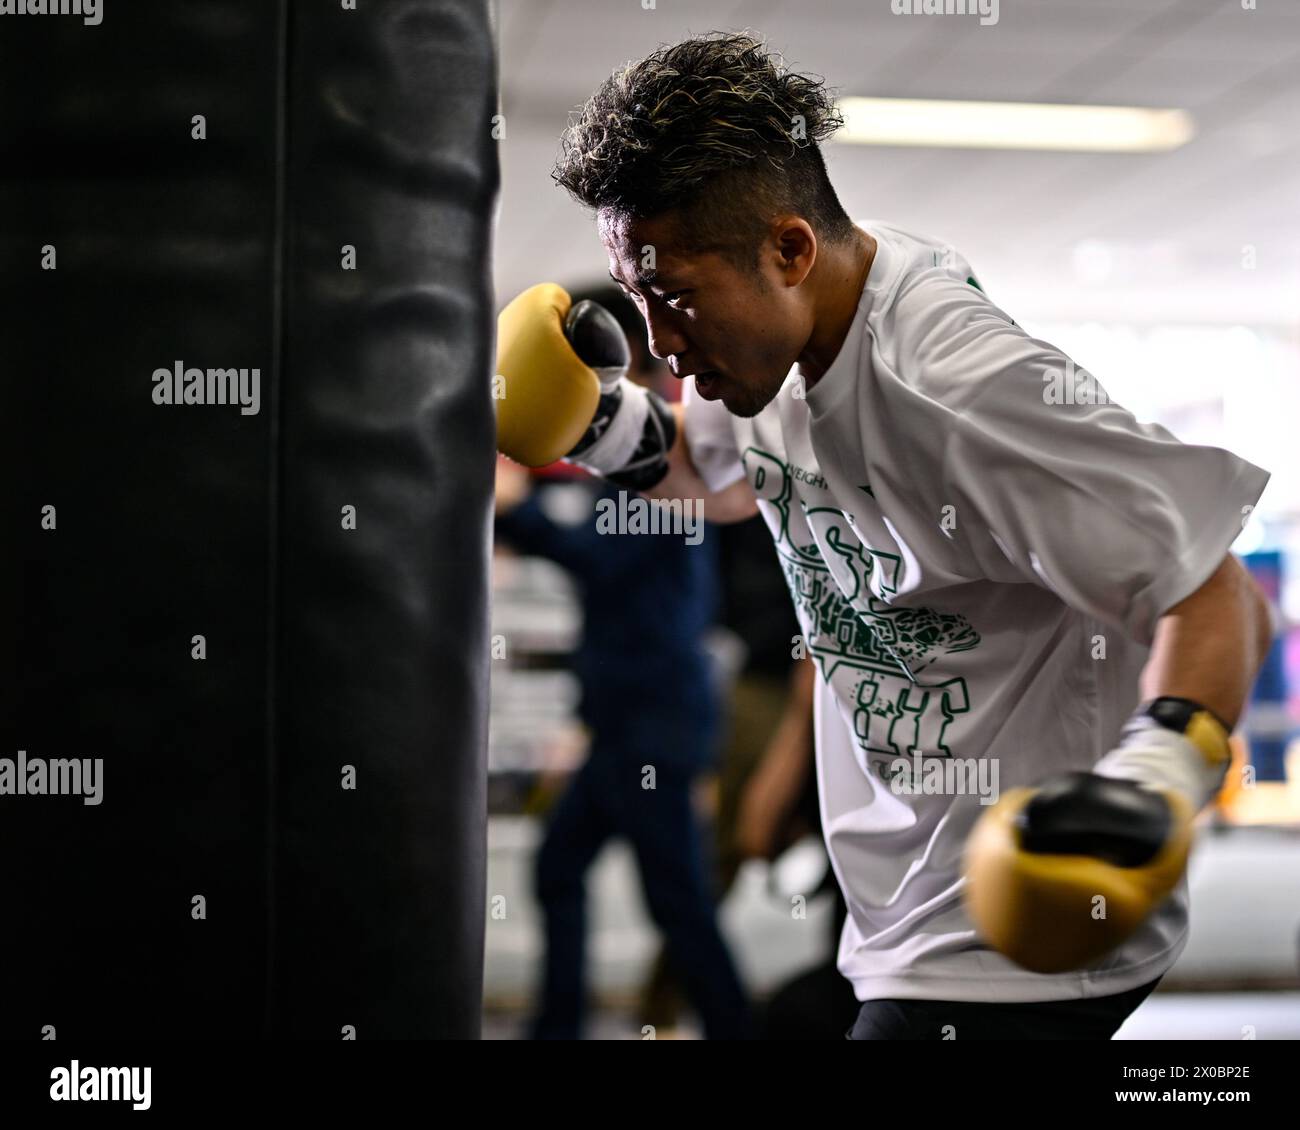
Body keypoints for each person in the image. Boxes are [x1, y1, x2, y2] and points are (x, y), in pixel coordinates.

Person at [495, 33, 1274, 1039]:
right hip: (898, 906)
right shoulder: (772, 345)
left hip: (1011, 936)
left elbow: (1214, 592)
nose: (664, 346)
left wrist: (1154, 781)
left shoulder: (962, 388)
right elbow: (718, 471)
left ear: (788, 249)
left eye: (676, 300)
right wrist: (598, 430)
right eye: (643, 303)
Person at [495, 285, 752, 1040]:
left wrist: (519, 511)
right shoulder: (631, 459)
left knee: (676, 902)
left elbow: (603, 565)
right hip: (622, 724)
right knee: (561, 871)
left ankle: (734, 1029)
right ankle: (558, 1026)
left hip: (655, 726)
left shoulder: (662, 459)